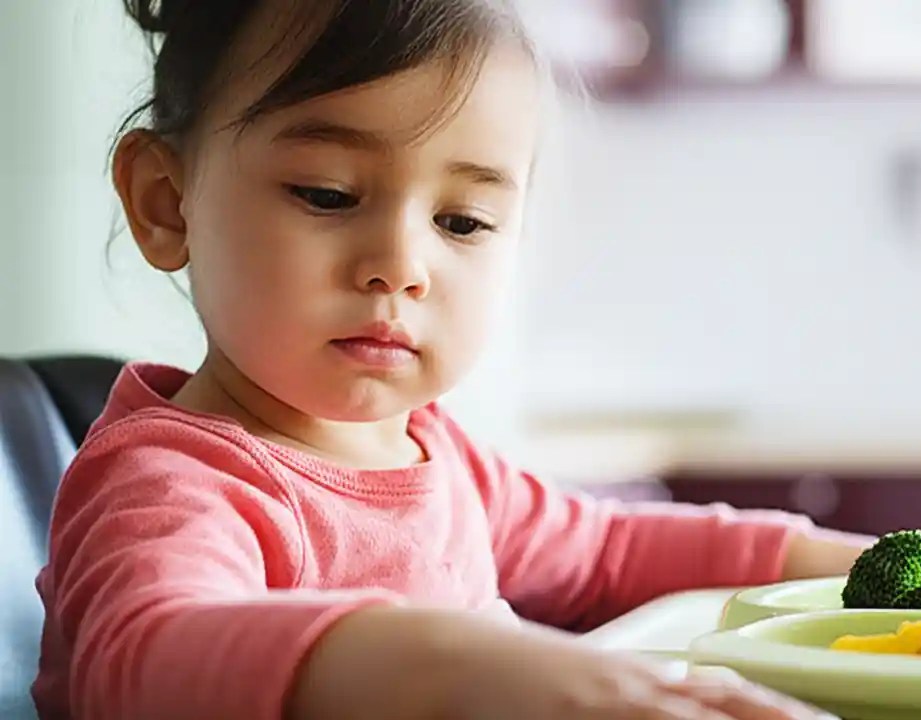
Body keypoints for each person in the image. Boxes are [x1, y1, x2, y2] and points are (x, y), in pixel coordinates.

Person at [32, 1, 875, 718]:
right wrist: (457, 662)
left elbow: (612, 550)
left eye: (463, 221)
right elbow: (144, 656)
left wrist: (868, 568)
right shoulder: (170, 481)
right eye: (327, 194)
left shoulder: (444, 462)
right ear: (166, 203)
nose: (401, 265)